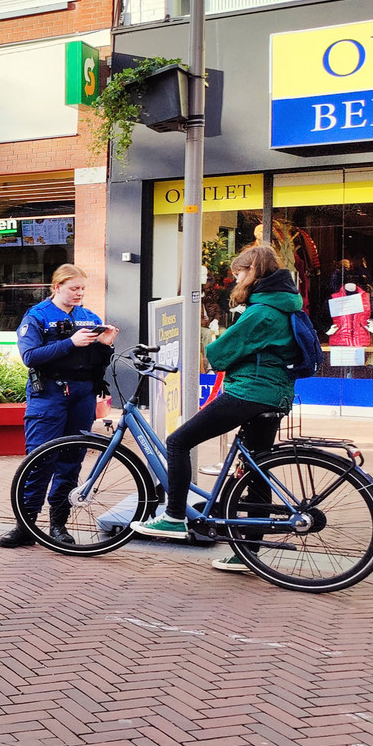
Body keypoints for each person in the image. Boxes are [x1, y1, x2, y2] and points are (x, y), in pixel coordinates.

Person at [130, 245, 298, 572]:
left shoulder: (261, 311)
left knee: (178, 441)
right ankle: (249, 551)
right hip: (276, 394)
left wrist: (211, 346)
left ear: (254, 271)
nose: (236, 278)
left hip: (250, 391)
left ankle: (174, 517)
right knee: (256, 470)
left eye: (239, 273)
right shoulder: (284, 305)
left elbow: (219, 353)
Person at [0, 264, 118, 548]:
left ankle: (58, 525)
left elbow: (97, 362)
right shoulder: (37, 316)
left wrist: (105, 346)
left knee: (71, 460)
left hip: (82, 395)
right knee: (40, 459)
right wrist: (71, 343)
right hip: (49, 394)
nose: (79, 294)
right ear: (57, 287)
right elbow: (30, 356)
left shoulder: (88, 317)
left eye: (82, 289)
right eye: (73, 288)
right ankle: (25, 526)